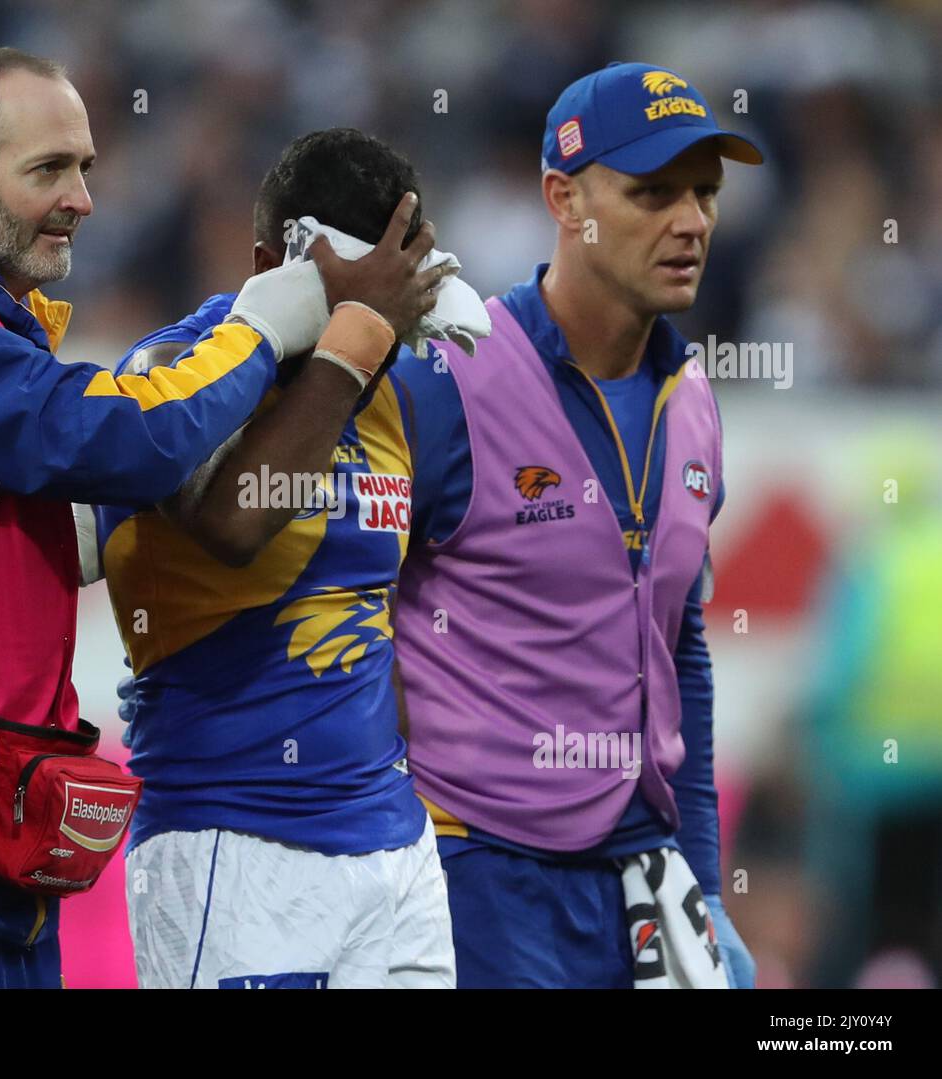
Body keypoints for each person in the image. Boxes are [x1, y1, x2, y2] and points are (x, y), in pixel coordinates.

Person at [0, 48, 429, 989]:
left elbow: (108, 497)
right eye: (49, 170)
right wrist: (268, 324)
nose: (83, 199)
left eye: (87, 168)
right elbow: (123, 439)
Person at [392, 62, 761, 988]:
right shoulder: (449, 376)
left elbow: (679, 645)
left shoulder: (695, 400)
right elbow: (349, 616)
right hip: (480, 876)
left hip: (644, 879)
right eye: (653, 193)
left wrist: (706, 886)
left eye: (706, 194)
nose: (693, 222)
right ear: (563, 197)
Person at [92, 129, 457, 988]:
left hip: (395, 853)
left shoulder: (401, 397)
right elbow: (233, 524)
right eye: (353, 294)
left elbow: (380, 600)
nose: (385, 319)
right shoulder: (173, 368)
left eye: (395, 290)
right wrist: (352, 343)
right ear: (269, 262)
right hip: (234, 844)